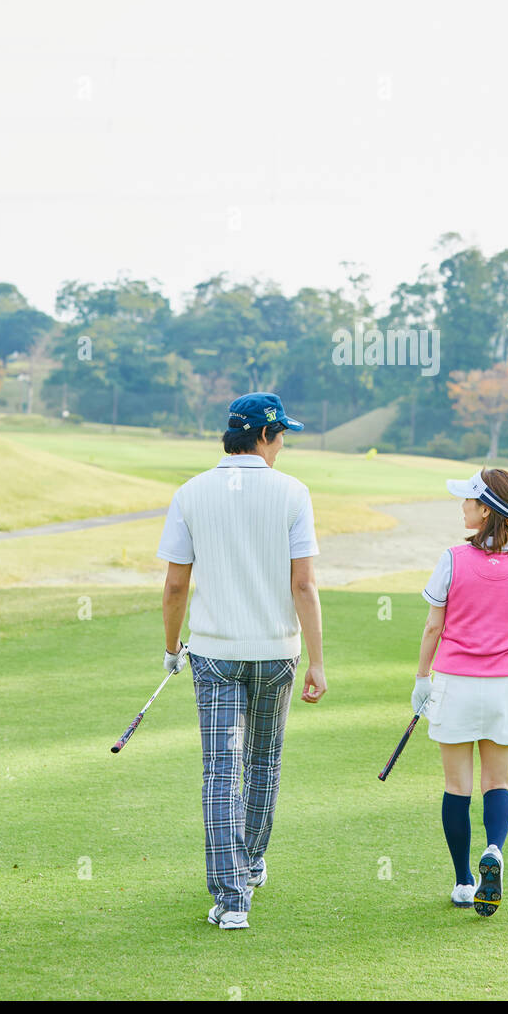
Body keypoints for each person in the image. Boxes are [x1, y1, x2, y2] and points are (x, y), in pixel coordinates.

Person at [156, 392, 327, 930]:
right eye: (281, 437)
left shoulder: (190, 493)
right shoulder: (293, 493)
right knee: (263, 762)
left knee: (221, 769)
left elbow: (175, 584)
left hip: (213, 652)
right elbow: (304, 584)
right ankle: (248, 865)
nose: (283, 446)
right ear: (263, 436)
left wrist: (169, 647)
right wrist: (318, 660)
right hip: (276, 652)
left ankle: (232, 898)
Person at [411, 467, 508, 916]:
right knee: (498, 783)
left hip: (456, 684)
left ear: (485, 509)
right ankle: (495, 848)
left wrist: (420, 679)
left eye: (468, 501)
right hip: (505, 686)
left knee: (457, 786)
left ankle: (465, 880)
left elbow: (434, 625)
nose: (462, 507)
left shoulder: (451, 558)